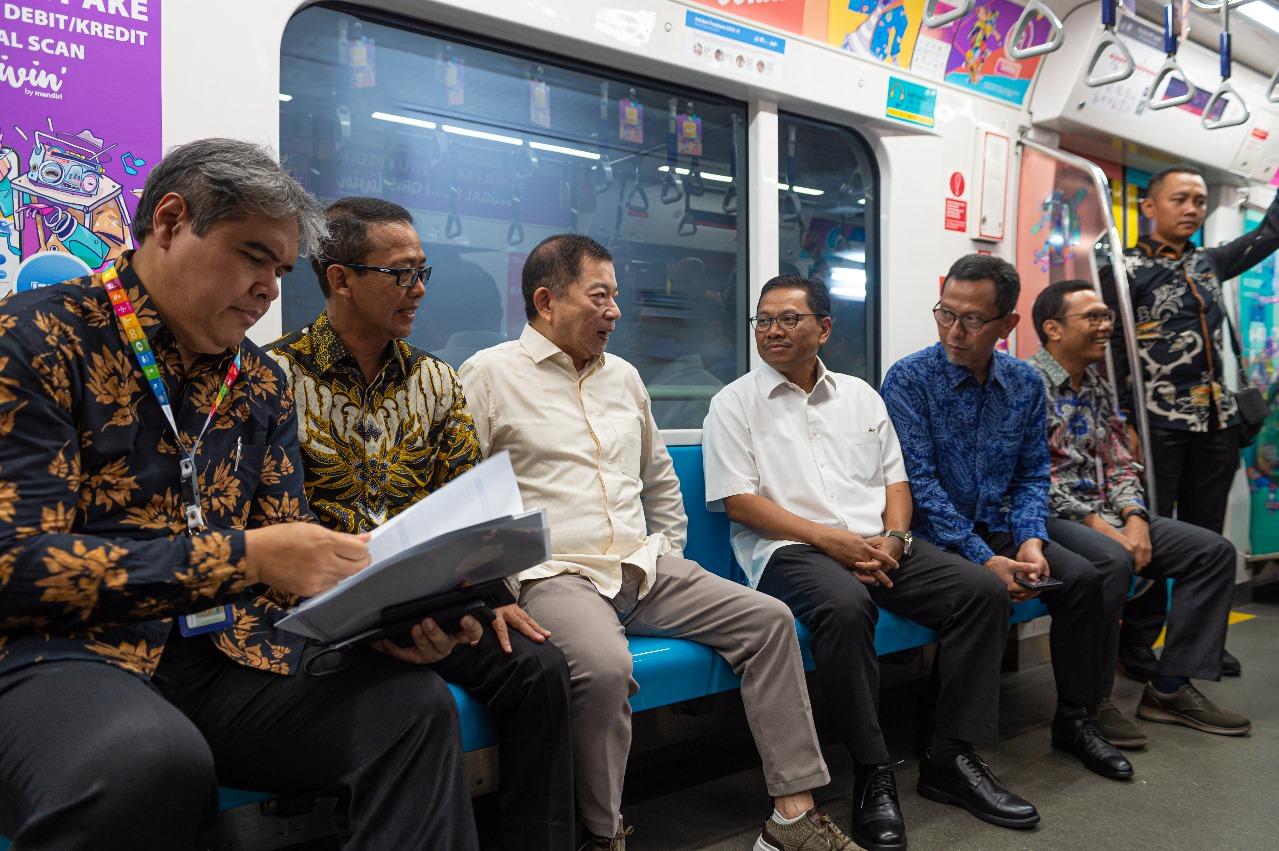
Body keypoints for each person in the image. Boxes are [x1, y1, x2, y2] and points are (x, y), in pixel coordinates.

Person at [0, 140, 481, 850]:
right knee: (147, 758)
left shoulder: (258, 381)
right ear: (169, 222)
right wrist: (245, 558)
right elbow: (17, 566)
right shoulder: (38, 336)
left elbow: (290, 553)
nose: (268, 290)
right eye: (254, 257)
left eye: (281, 271)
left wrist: (392, 613)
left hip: (221, 652)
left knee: (409, 707)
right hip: (59, 653)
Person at [459, 235, 856, 851]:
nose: (615, 311)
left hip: (641, 564)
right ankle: (602, 833)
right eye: (600, 297)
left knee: (770, 620)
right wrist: (500, 583)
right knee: (603, 666)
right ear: (546, 300)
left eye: (616, 297)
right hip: (555, 572)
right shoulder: (488, 375)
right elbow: (464, 491)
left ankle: (792, 818)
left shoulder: (624, 377)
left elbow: (658, 478)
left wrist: (666, 550)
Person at [267, 197, 574, 851]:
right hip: (327, 605)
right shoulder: (273, 377)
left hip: (425, 594)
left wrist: (489, 593)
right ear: (340, 277)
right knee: (401, 689)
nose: (420, 289)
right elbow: (273, 520)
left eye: (422, 271)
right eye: (401, 273)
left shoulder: (435, 381)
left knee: (539, 665)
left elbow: (468, 500)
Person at [702, 275, 1037, 846]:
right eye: (763, 320)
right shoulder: (733, 403)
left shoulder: (860, 396)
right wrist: (832, 542)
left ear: (824, 328)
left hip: (877, 543)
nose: (773, 331)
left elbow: (895, 481)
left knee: (979, 592)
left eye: (789, 319)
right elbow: (740, 502)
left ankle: (949, 756)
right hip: (792, 551)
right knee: (846, 604)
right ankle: (872, 770)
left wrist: (896, 539)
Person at [881, 254, 1133, 785]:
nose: (954, 330)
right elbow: (918, 485)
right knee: (983, 587)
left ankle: (1075, 720)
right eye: (945, 313)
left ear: (1007, 325)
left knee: (1084, 579)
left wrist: (1031, 540)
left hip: (995, 522)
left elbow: (1031, 475)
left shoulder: (1022, 383)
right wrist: (983, 557)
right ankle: (952, 751)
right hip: (933, 532)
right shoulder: (908, 378)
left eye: (973, 319)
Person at [1028, 280, 1249, 742]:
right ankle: (1092, 701)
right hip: (1051, 516)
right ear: (1052, 328)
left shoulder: (1098, 387)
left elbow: (1119, 463)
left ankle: (1168, 688)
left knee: (1212, 552)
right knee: (1112, 561)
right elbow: (1030, 476)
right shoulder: (1024, 385)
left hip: (1108, 512)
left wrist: (1134, 517)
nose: (1106, 325)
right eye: (1092, 317)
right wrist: (1103, 527)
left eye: (1106, 316)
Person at [1110, 166, 1279, 679]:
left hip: (1215, 424)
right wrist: (1124, 421)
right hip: (1155, 422)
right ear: (1148, 207)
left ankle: (1197, 648)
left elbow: (1269, 234)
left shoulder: (1209, 263)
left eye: (1199, 201)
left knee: (1208, 540)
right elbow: (1114, 349)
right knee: (1155, 536)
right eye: (1180, 199)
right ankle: (1138, 642)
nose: (1191, 209)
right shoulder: (1123, 268)